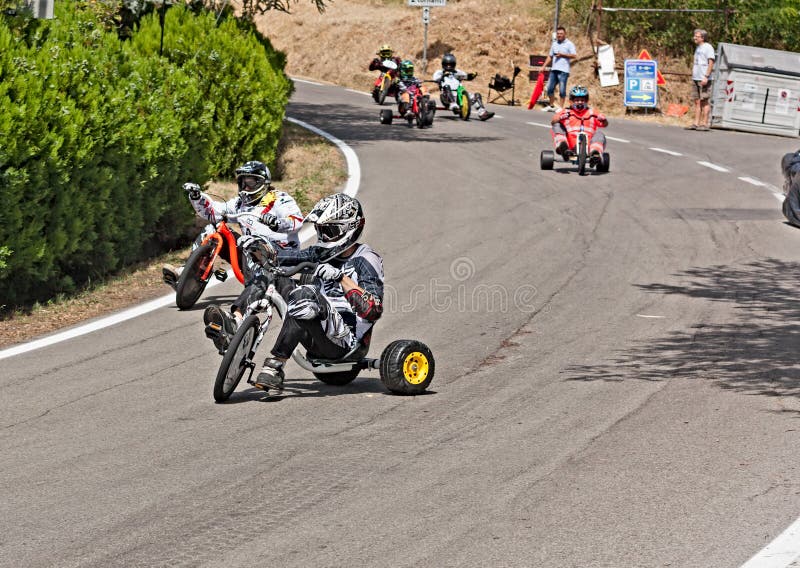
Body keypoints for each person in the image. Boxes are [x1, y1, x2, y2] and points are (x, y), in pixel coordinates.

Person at [203, 193, 384, 392]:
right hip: (318, 330)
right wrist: (258, 246)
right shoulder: (321, 252)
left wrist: (340, 278)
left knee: (305, 294)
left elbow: (372, 310)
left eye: (329, 231)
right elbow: (283, 257)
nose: (323, 237)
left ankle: (275, 366)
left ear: (349, 229)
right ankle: (234, 323)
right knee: (270, 273)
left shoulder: (366, 259)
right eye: (320, 231)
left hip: (347, 342)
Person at [162, 161, 303, 288]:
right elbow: (212, 213)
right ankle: (186, 273)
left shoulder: (280, 199)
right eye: (242, 183)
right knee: (213, 228)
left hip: (279, 257)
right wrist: (197, 198)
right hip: (251, 256)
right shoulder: (239, 203)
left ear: (262, 182)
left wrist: (278, 223)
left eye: (250, 183)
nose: (245, 187)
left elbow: (297, 221)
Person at [550, 85, 608, 162]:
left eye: (582, 100)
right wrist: (560, 118)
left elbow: (605, 124)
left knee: (600, 134)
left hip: (589, 144)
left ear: (586, 101)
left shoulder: (592, 112)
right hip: (570, 146)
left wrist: (603, 120)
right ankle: (563, 148)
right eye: (577, 100)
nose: (580, 102)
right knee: (557, 125)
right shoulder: (566, 112)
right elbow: (553, 121)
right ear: (571, 101)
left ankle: (595, 154)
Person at [431, 53, 495, 121]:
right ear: (443, 64)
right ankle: (453, 105)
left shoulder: (457, 72)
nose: (449, 66)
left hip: (459, 93)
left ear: (454, 64)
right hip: (446, 95)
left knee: (476, 95)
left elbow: (466, 76)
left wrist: (471, 75)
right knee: (447, 86)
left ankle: (482, 113)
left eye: (451, 64)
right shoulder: (439, 72)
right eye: (447, 64)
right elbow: (435, 79)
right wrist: (443, 75)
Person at [539, 26, 577, 111]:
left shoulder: (569, 44)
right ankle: (551, 106)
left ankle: (560, 107)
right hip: (554, 70)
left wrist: (563, 55)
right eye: (558, 34)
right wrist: (543, 66)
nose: (559, 35)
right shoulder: (554, 44)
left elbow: (574, 55)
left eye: (561, 33)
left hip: (563, 71)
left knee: (562, 90)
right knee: (549, 89)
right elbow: (550, 56)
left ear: (565, 34)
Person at [689, 28, 715, 131]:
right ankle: (696, 123)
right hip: (696, 77)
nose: (694, 37)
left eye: (697, 36)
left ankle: (704, 124)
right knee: (697, 101)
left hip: (704, 78)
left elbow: (711, 62)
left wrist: (706, 76)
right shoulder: (698, 48)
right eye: (694, 35)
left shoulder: (708, 47)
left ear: (703, 38)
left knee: (704, 100)